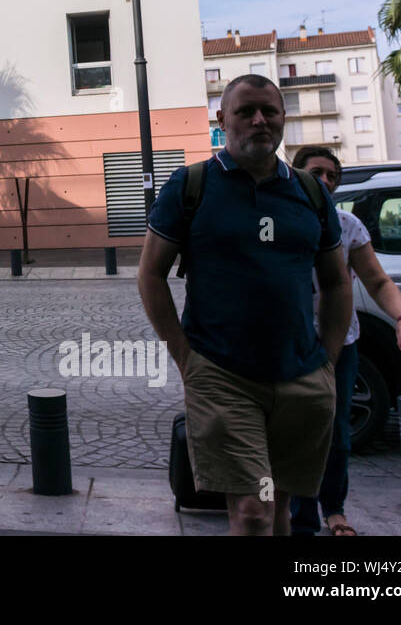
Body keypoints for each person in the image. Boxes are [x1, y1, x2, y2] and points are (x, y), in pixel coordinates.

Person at [138, 74, 352, 535]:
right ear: (222, 120)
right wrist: (183, 356)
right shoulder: (191, 185)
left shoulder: (310, 193)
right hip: (222, 374)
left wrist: (328, 362)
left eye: (269, 111)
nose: (259, 121)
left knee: (280, 511)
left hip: (302, 374)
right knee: (252, 511)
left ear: (282, 118)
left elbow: (337, 282)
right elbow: (150, 274)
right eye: (245, 112)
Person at [288, 146, 401, 536]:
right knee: (293, 431)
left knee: (335, 432)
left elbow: (378, 280)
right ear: (296, 176)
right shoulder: (278, 221)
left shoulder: (348, 226)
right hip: (289, 343)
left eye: (333, 174)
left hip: (339, 345)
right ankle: (300, 516)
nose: (327, 180)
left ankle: (334, 509)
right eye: (317, 172)